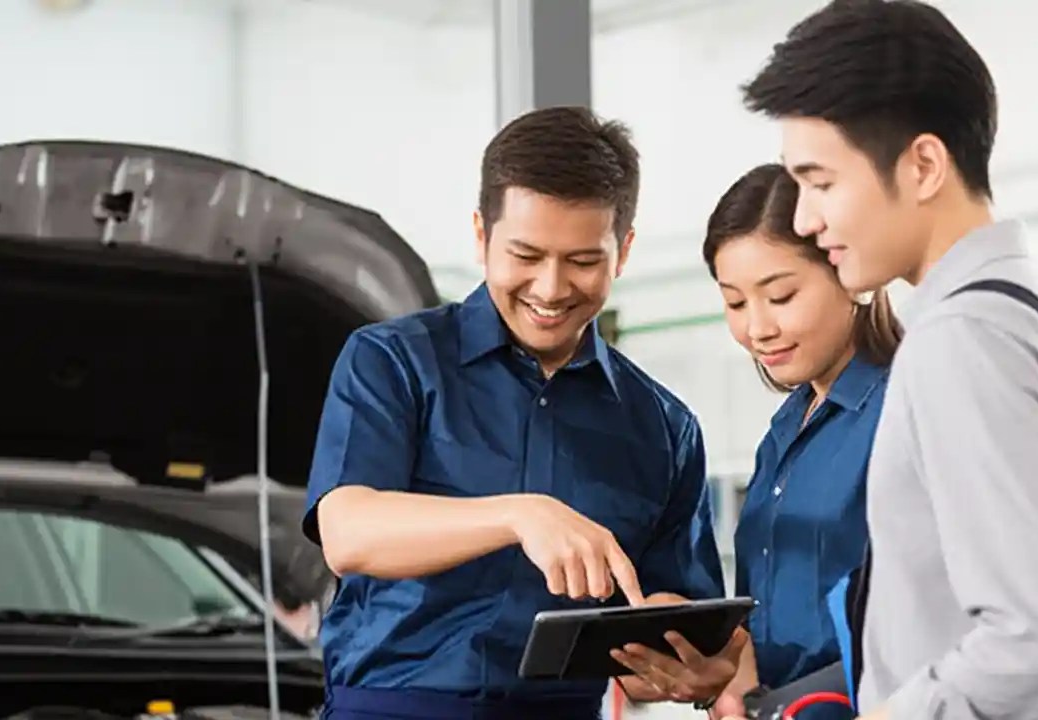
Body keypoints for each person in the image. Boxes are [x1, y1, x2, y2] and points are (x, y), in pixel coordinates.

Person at [739, 1, 1038, 719]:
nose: (803, 219)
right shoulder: (1029, 311)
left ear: (922, 165)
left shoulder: (966, 336)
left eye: (820, 182)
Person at [302, 106, 732, 720]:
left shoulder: (665, 426)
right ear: (481, 236)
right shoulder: (392, 362)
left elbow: (664, 611)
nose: (551, 288)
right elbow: (349, 532)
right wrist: (518, 516)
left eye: (583, 261)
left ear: (624, 250)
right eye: (525, 255)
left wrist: (689, 664)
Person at [610, 164, 902, 719]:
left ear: (852, 272)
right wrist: (714, 660)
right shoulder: (781, 436)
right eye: (736, 303)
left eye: (781, 296)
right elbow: (766, 629)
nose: (757, 328)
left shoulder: (907, 411)